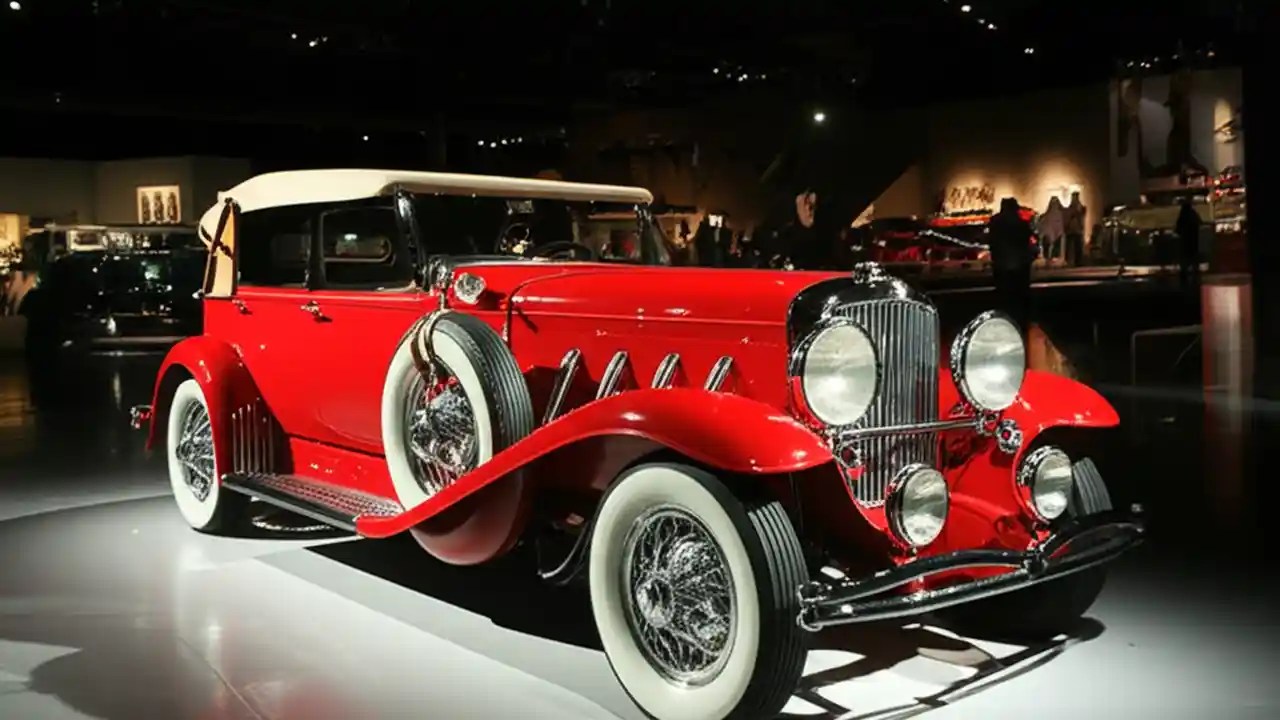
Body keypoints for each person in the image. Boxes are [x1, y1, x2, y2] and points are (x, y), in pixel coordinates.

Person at [987, 197, 1035, 332]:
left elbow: (992, 243)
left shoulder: (995, 223)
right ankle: (1020, 325)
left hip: (1002, 265)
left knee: (1004, 298)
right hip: (1020, 266)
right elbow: (1027, 243)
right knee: (1019, 299)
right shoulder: (1021, 224)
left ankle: (1004, 323)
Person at [1175, 198, 1202, 288]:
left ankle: (1184, 278)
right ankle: (1195, 278)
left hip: (1185, 241)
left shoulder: (1182, 216)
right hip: (1194, 241)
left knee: (1185, 261)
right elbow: (1200, 223)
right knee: (1194, 260)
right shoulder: (1193, 214)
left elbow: (1178, 229)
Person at [1037, 196, 1066, 264]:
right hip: (1049, 236)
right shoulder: (1048, 215)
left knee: (1055, 251)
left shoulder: (1059, 214)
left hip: (1056, 236)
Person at [1063, 191, 1087, 265]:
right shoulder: (1071, 208)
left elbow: (1081, 216)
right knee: (1070, 247)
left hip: (1077, 230)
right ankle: (1069, 260)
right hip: (1071, 230)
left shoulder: (1079, 207)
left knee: (1077, 247)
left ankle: (1078, 261)